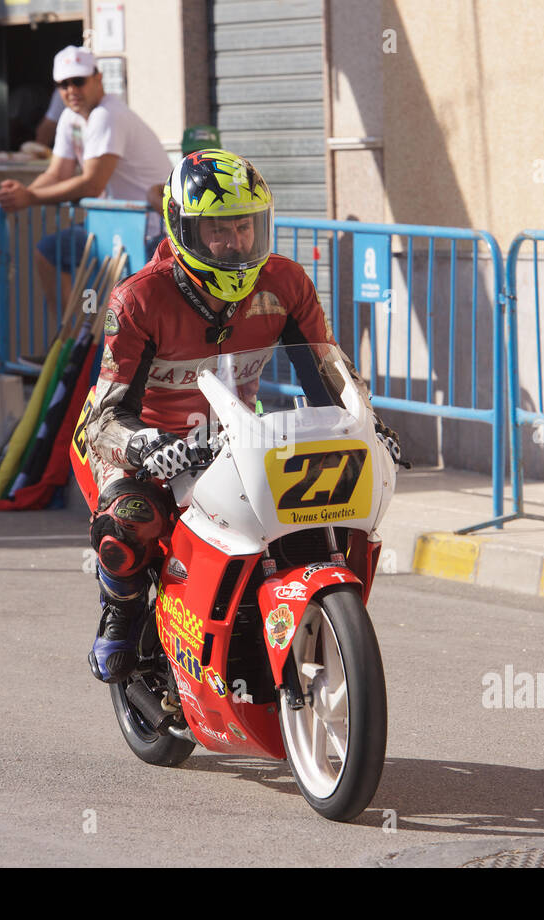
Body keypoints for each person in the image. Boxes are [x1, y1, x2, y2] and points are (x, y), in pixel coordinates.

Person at [81, 149, 404, 683]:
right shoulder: (137, 300)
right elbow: (106, 417)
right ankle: (122, 610)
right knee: (130, 520)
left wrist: (371, 425)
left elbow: (328, 374)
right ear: (183, 229)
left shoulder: (286, 283)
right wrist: (148, 447)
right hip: (140, 443)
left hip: (231, 436)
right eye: (217, 231)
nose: (235, 243)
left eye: (246, 228)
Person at [0, 46, 171, 320]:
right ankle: (71, 343)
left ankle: (104, 353)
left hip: (147, 229)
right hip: (113, 224)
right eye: (63, 84)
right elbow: (57, 173)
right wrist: (22, 193)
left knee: (130, 310)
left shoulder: (108, 114)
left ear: (97, 79)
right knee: (48, 254)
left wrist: (29, 198)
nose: (71, 90)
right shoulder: (70, 117)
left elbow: (91, 184)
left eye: (78, 81)